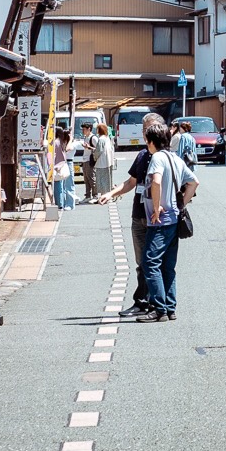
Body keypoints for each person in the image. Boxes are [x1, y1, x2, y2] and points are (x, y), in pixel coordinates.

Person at [92, 112, 173, 315]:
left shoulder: (168, 157)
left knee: (156, 263)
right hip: (139, 215)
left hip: (159, 218)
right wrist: (110, 193)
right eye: (144, 129)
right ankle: (143, 302)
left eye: (150, 129)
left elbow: (186, 184)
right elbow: (131, 182)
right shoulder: (143, 155)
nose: (146, 133)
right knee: (142, 263)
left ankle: (160, 305)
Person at [136, 118, 197, 322]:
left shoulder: (157, 158)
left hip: (160, 221)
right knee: (168, 265)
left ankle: (159, 308)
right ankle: (170, 308)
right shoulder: (175, 158)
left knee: (150, 262)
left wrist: (156, 207)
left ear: (151, 141)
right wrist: (181, 204)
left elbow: (156, 181)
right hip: (174, 219)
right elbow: (194, 182)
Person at [89, 121, 117, 200]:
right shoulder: (107, 138)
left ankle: (104, 196)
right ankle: (110, 195)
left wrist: (94, 157)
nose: (96, 130)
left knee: (101, 181)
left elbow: (98, 151)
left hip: (101, 163)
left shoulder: (101, 139)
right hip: (108, 161)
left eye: (97, 129)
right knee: (107, 180)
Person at [51, 128, 75, 210]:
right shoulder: (62, 142)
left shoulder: (59, 142)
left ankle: (64, 204)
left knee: (63, 186)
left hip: (61, 165)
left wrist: (70, 139)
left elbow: (68, 149)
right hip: (63, 165)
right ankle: (63, 204)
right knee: (63, 186)